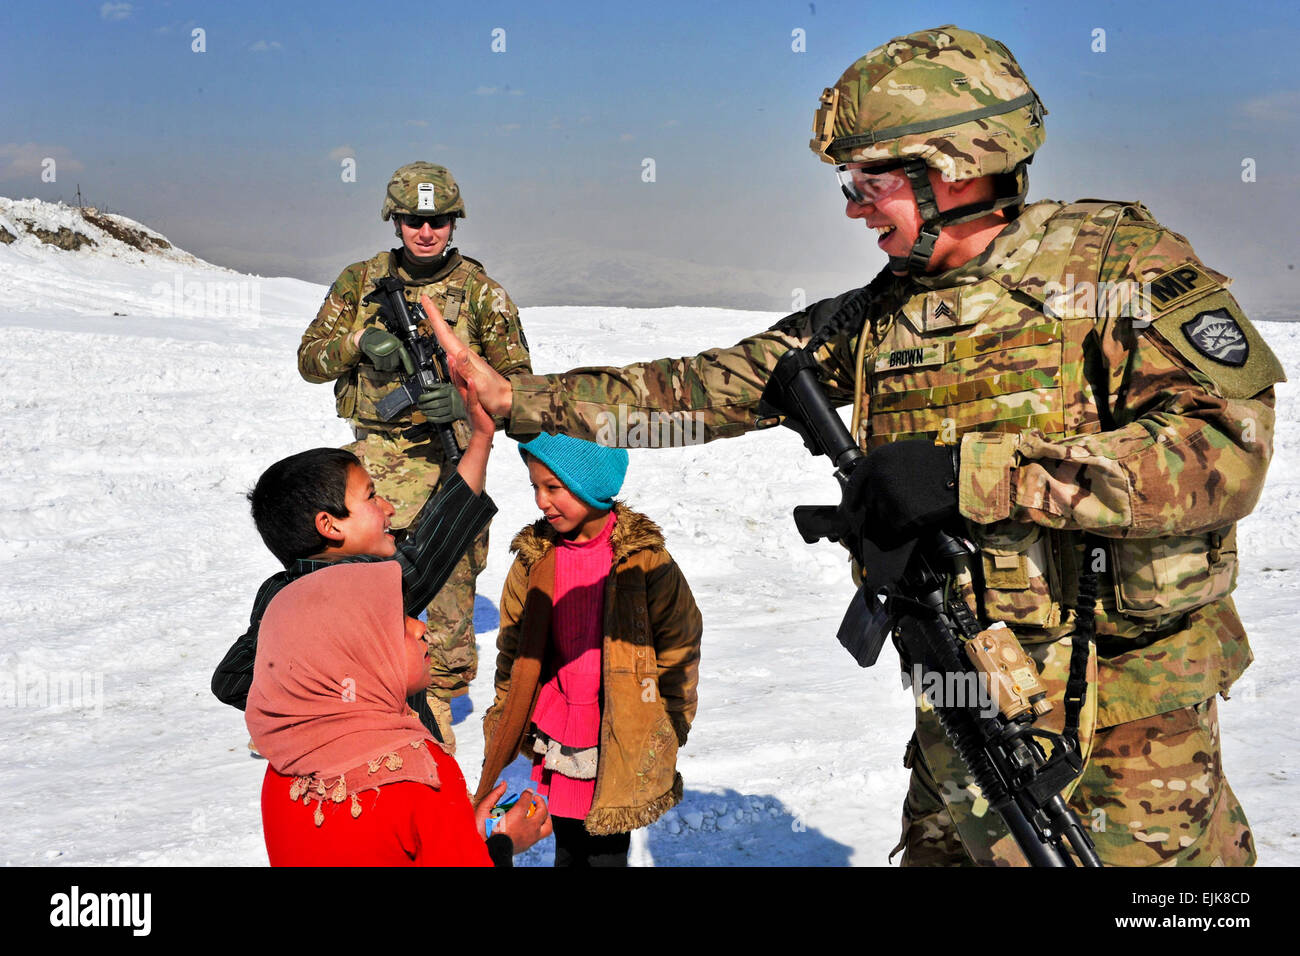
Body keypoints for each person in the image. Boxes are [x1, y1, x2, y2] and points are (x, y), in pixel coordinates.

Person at [429, 26, 1285, 866]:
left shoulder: (1115, 268)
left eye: (871, 178)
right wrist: (520, 400)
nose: (852, 203)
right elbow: (714, 385)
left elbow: (1225, 449)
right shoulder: (885, 308)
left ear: (955, 166)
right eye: (850, 179)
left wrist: (972, 476)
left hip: (1122, 725)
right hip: (964, 694)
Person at [298, 161, 533, 749]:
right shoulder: (360, 283)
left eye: (437, 221)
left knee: (449, 613)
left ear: (454, 222)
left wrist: (460, 401)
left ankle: (437, 737)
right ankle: (361, 714)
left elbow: (520, 388)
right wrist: (356, 342)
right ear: (394, 220)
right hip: (370, 475)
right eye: (413, 221)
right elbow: (308, 360)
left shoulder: (482, 295)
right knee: (362, 604)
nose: (425, 232)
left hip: (452, 466)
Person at [210, 376, 496, 746]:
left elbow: (231, 680)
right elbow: (442, 534)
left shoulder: (277, 597)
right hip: (396, 765)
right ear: (329, 525)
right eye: (372, 498)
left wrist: (309, 709)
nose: (389, 508)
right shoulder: (374, 586)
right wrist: (481, 440)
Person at [475, 433, 702, 866]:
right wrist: (506, 706)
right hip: (560, 725)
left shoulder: (644, 561)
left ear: (591, 485)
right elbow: (513, 642)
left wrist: (670, 719)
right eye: (535, 487)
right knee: (568, 844)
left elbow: (680, 643)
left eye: (553, 488)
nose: (541, 501)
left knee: (607, 850)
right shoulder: (535, 559)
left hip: (617, 729)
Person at [247, 560, 551, 866]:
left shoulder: (284, 768)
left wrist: (457, 831)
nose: (420, 627)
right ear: (354, 655)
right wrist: (503, 843)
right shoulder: (420, 774)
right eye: (394, 624)